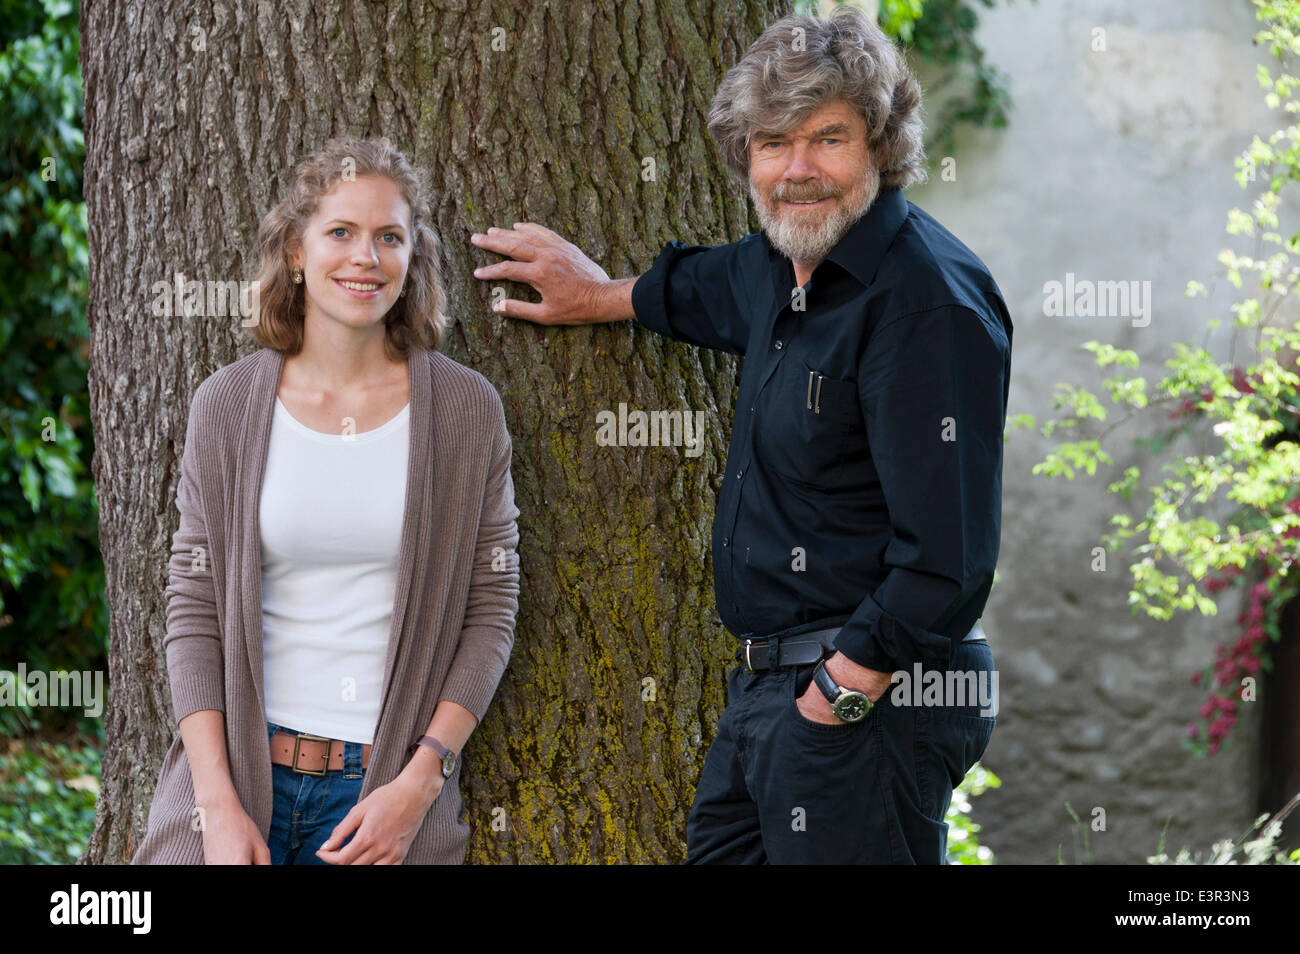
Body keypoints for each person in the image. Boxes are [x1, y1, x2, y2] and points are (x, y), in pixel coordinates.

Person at [469, 7, 1010, 863]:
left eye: (827, 138)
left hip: (870, 704)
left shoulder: (924, 302)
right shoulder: (782, 269)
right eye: (771, 142)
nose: (797, 169)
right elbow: (695, 289)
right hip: (774, 695)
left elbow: (949, 557)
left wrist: (837, 698)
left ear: (881, 143)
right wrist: (594, 292)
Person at [133, 137, 520, 865]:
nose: (364, 258)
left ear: (412, 260)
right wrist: (215, 806)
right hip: (237, 781)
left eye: (389, 237)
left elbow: (491, 607)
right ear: (294, 251)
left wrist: (421, 781)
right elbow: (192, 610)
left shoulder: (465, 412)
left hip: (380, 797)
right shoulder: (226, 406)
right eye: (340, 232)